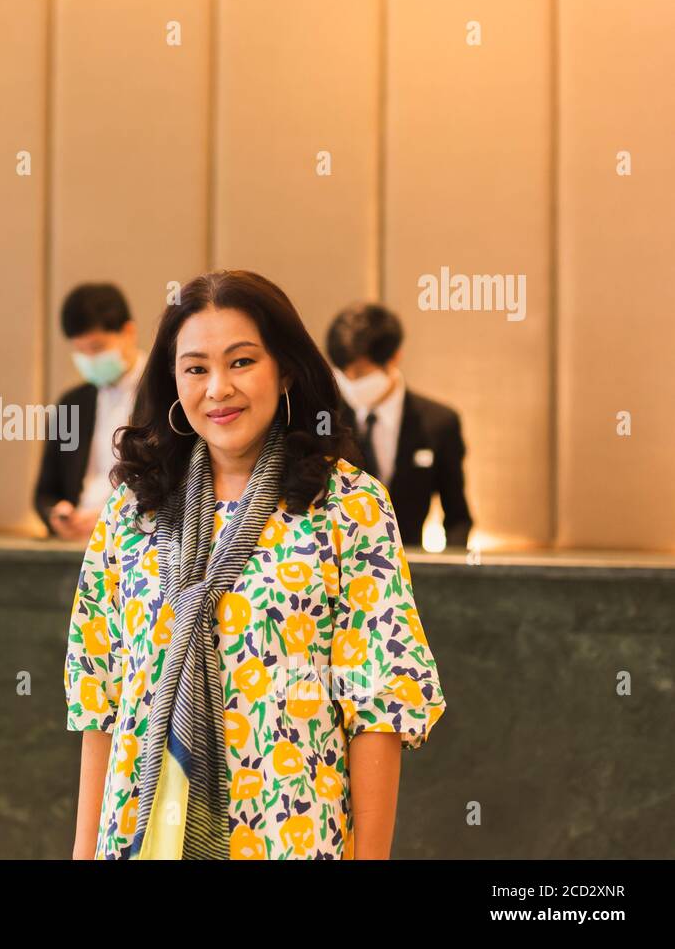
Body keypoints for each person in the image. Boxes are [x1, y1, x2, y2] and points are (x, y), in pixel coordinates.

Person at [63, 270, 446, 860]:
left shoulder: (347, 505)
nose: (218, 388)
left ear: (285, 369)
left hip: (289, 831)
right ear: (172, 380)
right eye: (195, 368)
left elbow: (380, 706)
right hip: (143, 838)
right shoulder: (133, 510)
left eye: (241, 362)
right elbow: (99, 702)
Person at [325, 302, 473, 550]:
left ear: (394, 356)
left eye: (361, 373)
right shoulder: (325, 417)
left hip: (409, 569)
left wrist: (448, 576)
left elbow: (457, 516)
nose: (350, 382)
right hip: (338, 570)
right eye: (343, 372)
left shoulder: (439, 423)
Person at [34, 283, 147, 539]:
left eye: (96, 348)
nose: (89, 359)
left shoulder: (164, 393)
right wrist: (57, 514)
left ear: (129, 332)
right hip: (79, 544)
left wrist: (113, 515)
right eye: (80, 351)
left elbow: (176, 483)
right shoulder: (72, 403)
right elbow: (45, 493)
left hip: (140, 541)